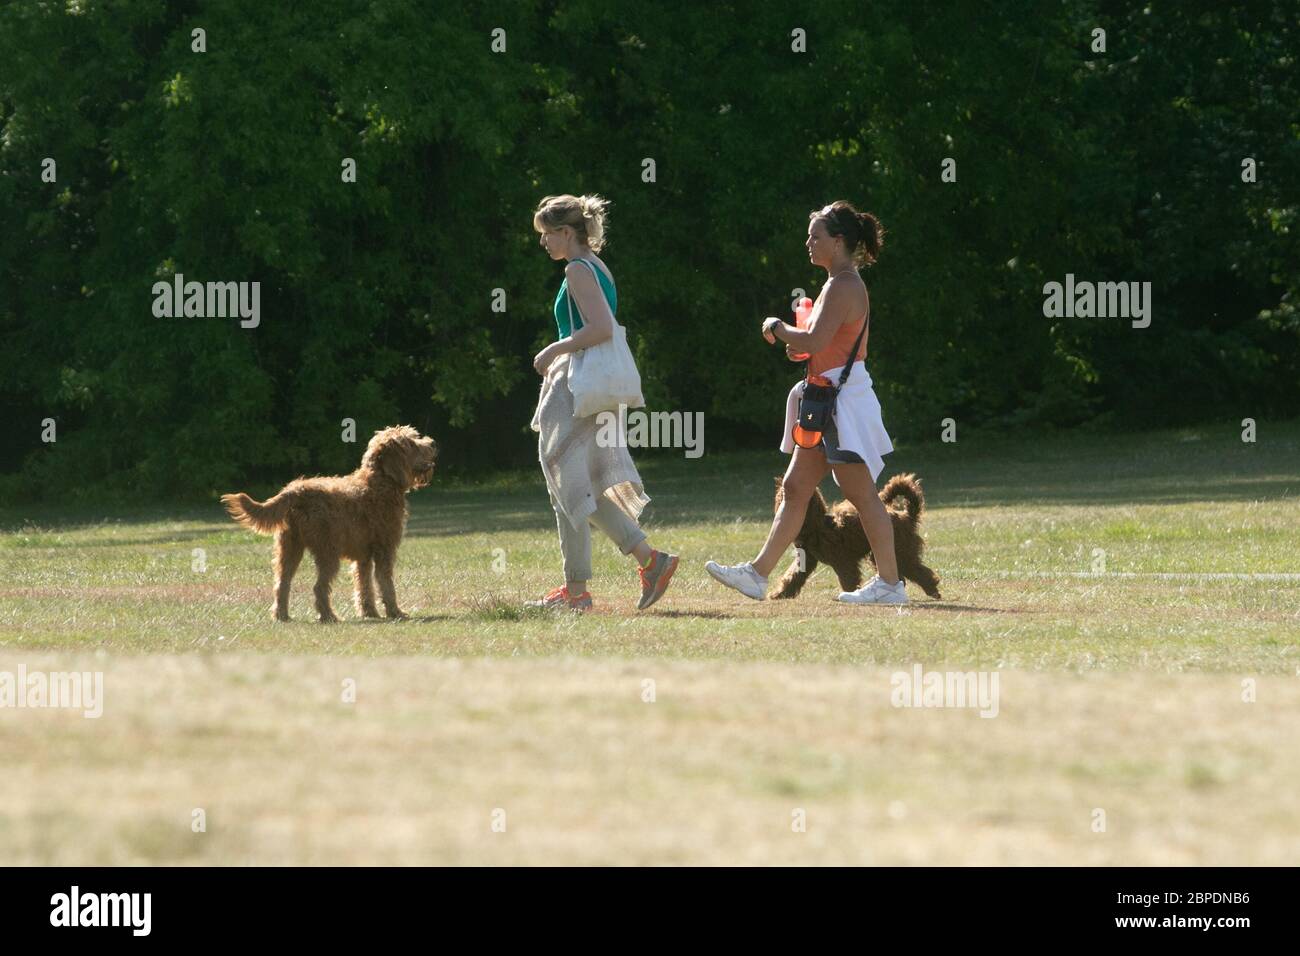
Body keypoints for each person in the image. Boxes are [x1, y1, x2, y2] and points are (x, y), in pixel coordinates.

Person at [705, 200, 907, 605]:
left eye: (816, 236)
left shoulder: (844, 285)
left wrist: (777, 327)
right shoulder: (839, 283)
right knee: (797, 489)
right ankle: (757, 575)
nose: (808, 242)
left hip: (839, 403)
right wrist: (800, 345)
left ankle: (890, 584)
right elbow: (820, 345)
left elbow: (814, 342)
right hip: (826, 398)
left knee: (862, 495)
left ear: (838, 241)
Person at [526, 194, 679, 612]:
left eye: (546, 235)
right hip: (594, 387)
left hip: (577, 385)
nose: (543, 243)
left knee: (567, 482)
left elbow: (600, 328)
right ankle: (646, 563)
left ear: (566, 232)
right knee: (586, 485)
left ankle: (579, 591)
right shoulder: (597, 266)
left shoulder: (577, 269)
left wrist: (553, 350)